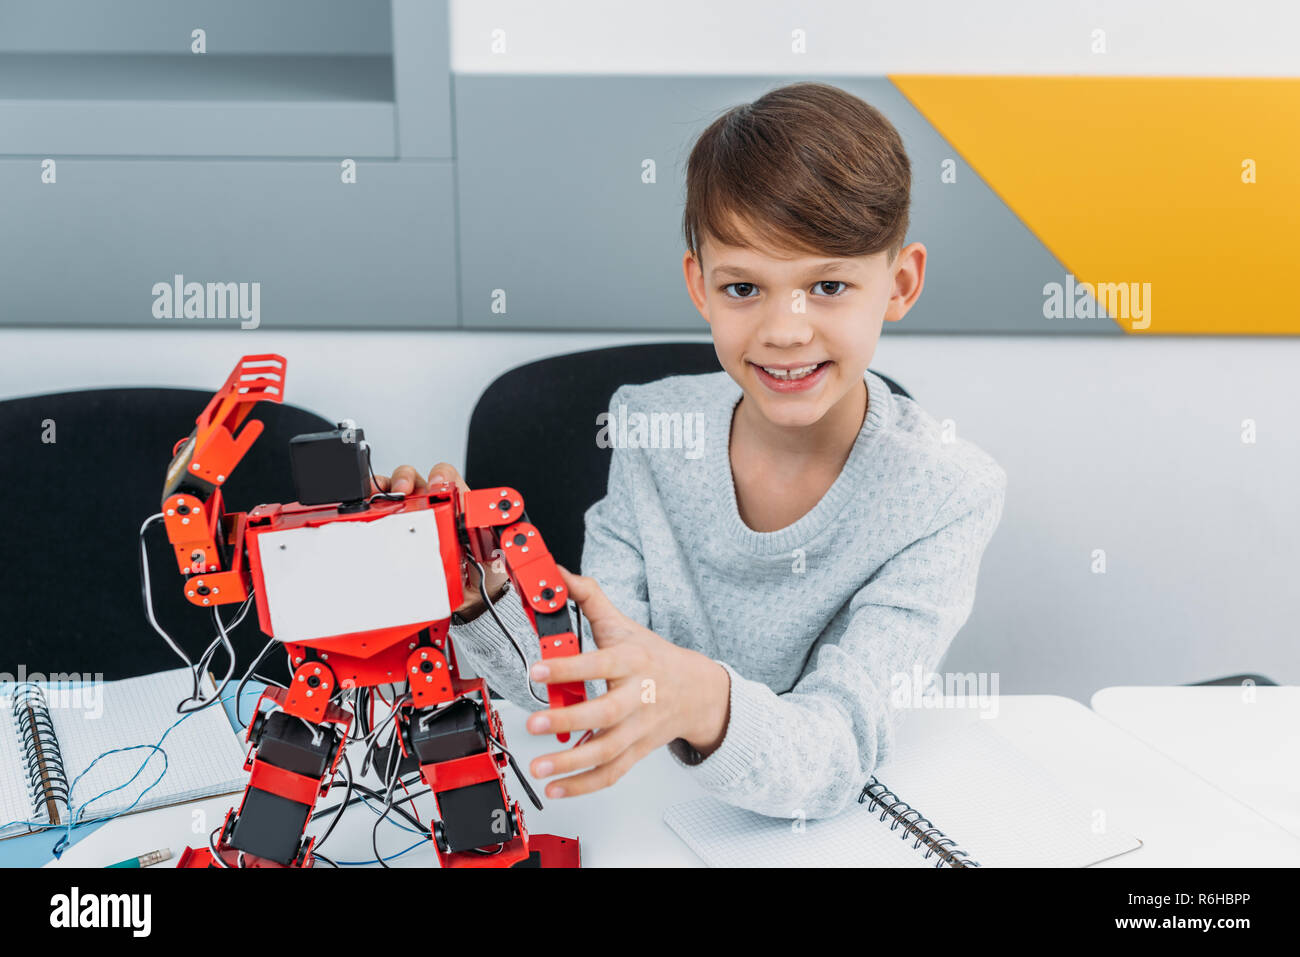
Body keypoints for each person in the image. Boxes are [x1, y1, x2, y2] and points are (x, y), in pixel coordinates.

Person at [376, 81, 1007, 819]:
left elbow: (839, 747)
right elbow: (582, 679)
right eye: (744, 288)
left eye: (828, 285)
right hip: (646, 817)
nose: (785, 330)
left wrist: (702, 699)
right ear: (699, 286)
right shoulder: (649, 425)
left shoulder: (947, 493)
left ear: (899, 284)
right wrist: (479, 592)